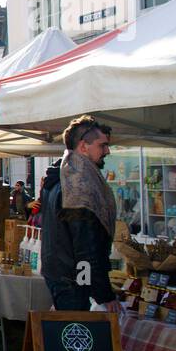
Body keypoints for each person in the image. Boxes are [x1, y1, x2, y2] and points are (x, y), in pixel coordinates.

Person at [39, 116, 120, 313]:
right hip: (72, 280)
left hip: (62, 276)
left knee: (70, 335)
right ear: (84, 147)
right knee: (77, 337)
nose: (107, 151)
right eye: (102, 146)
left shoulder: (61, 176)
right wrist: (102, 293)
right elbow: (86, 246)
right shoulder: (77, 187)